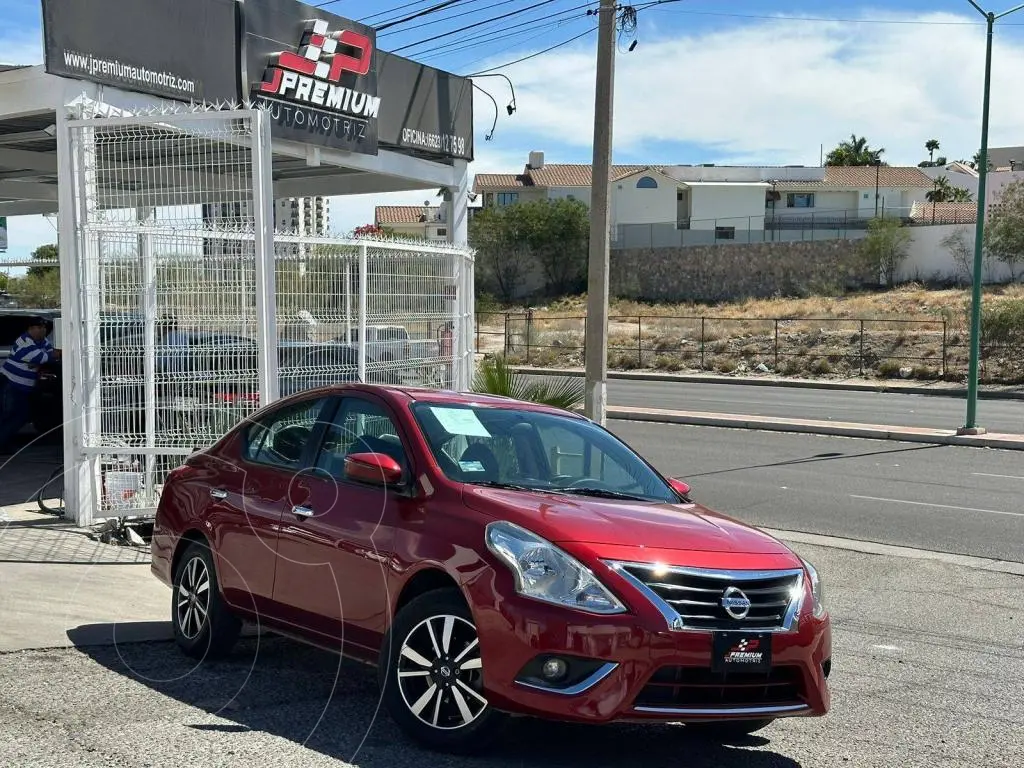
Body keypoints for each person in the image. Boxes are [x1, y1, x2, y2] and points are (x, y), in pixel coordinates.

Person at [0, 316, 61, 453]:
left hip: (22, 387)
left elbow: (49, 352)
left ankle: (3, 443)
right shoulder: (25, 342)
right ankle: (2, 444)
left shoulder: (41, 341)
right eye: (39, 328)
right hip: (11, 384)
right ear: (31, 329)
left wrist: (44, 358)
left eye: (44, 328)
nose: (43, 331)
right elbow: (43, 357)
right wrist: (44, 358)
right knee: (10, 415)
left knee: (19, 415)